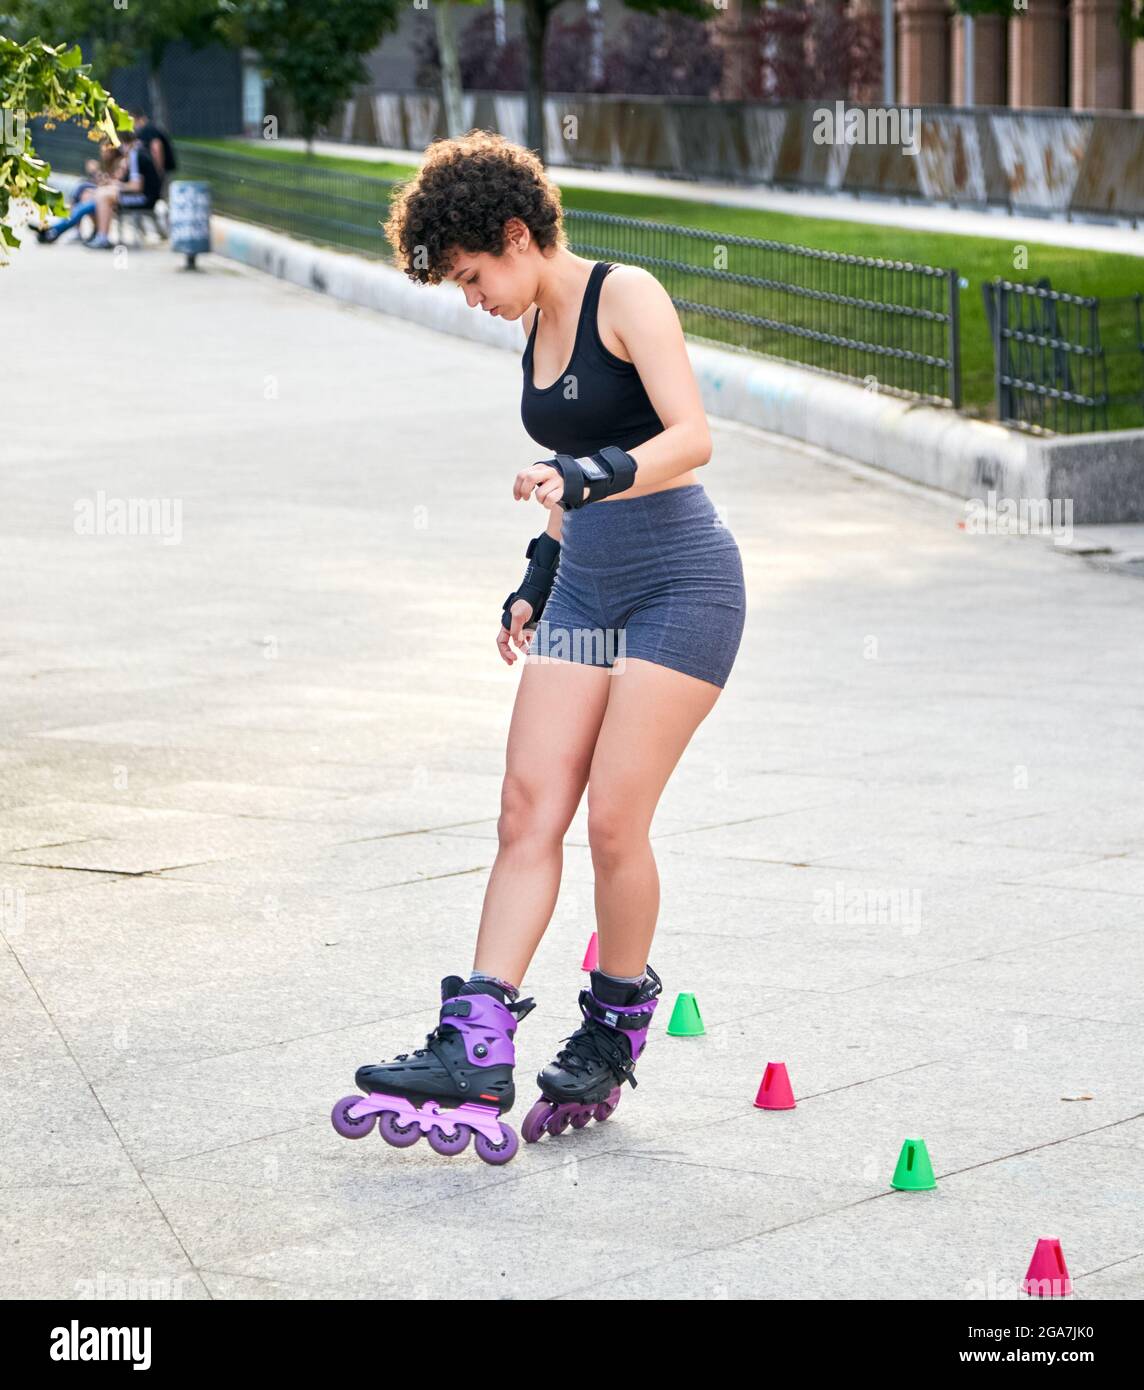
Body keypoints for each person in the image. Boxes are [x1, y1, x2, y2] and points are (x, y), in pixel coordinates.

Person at [331, 131, 747, 1164]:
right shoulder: (532, 330)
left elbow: (691, 435)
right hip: (590, 583)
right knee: (525, 809)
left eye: (473, 275)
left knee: (613, 820)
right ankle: (476, 1039)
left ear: (515, 236)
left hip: (681, 584)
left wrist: (591, 475)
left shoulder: (624, 294)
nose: (471, 297)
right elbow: (565, 481)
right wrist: (536, 581)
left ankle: (612, 1024)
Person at [38, 129, 161, 248]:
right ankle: (56, 230)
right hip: (136, 195)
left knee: (102, 195)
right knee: (88, 193)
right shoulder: (134, 153)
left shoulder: (135, 154)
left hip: (145, 199)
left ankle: (101, 238)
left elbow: (136, 186)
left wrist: (116, 185)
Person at [131, 109, 177, 182]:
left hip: (162, 168)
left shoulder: (148, 130)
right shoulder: (147, 129)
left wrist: (159, 170)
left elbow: (157, 148)